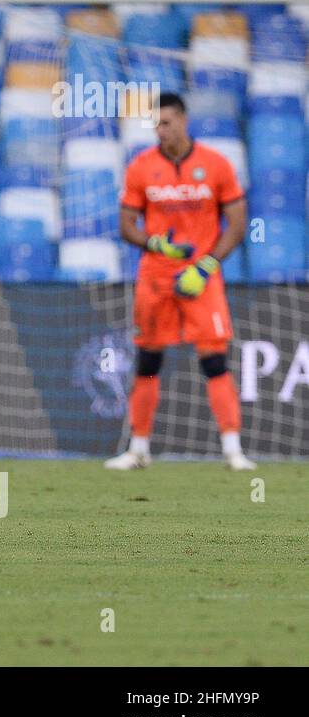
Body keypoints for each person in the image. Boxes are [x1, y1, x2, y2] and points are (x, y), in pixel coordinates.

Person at [109, 91, 255, 471]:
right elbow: (125, 225)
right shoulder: (141, 167)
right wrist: (154, 242)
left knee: (215, 361)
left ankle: (233, 450)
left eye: (167, 123)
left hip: (201, 279)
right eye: (156, 124)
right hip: (155, 278)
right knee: (148, 361)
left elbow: (238, 223)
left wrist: (206, 265)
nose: (161, 130)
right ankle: (138, 449)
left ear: (184, 121)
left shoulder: (216, 165)